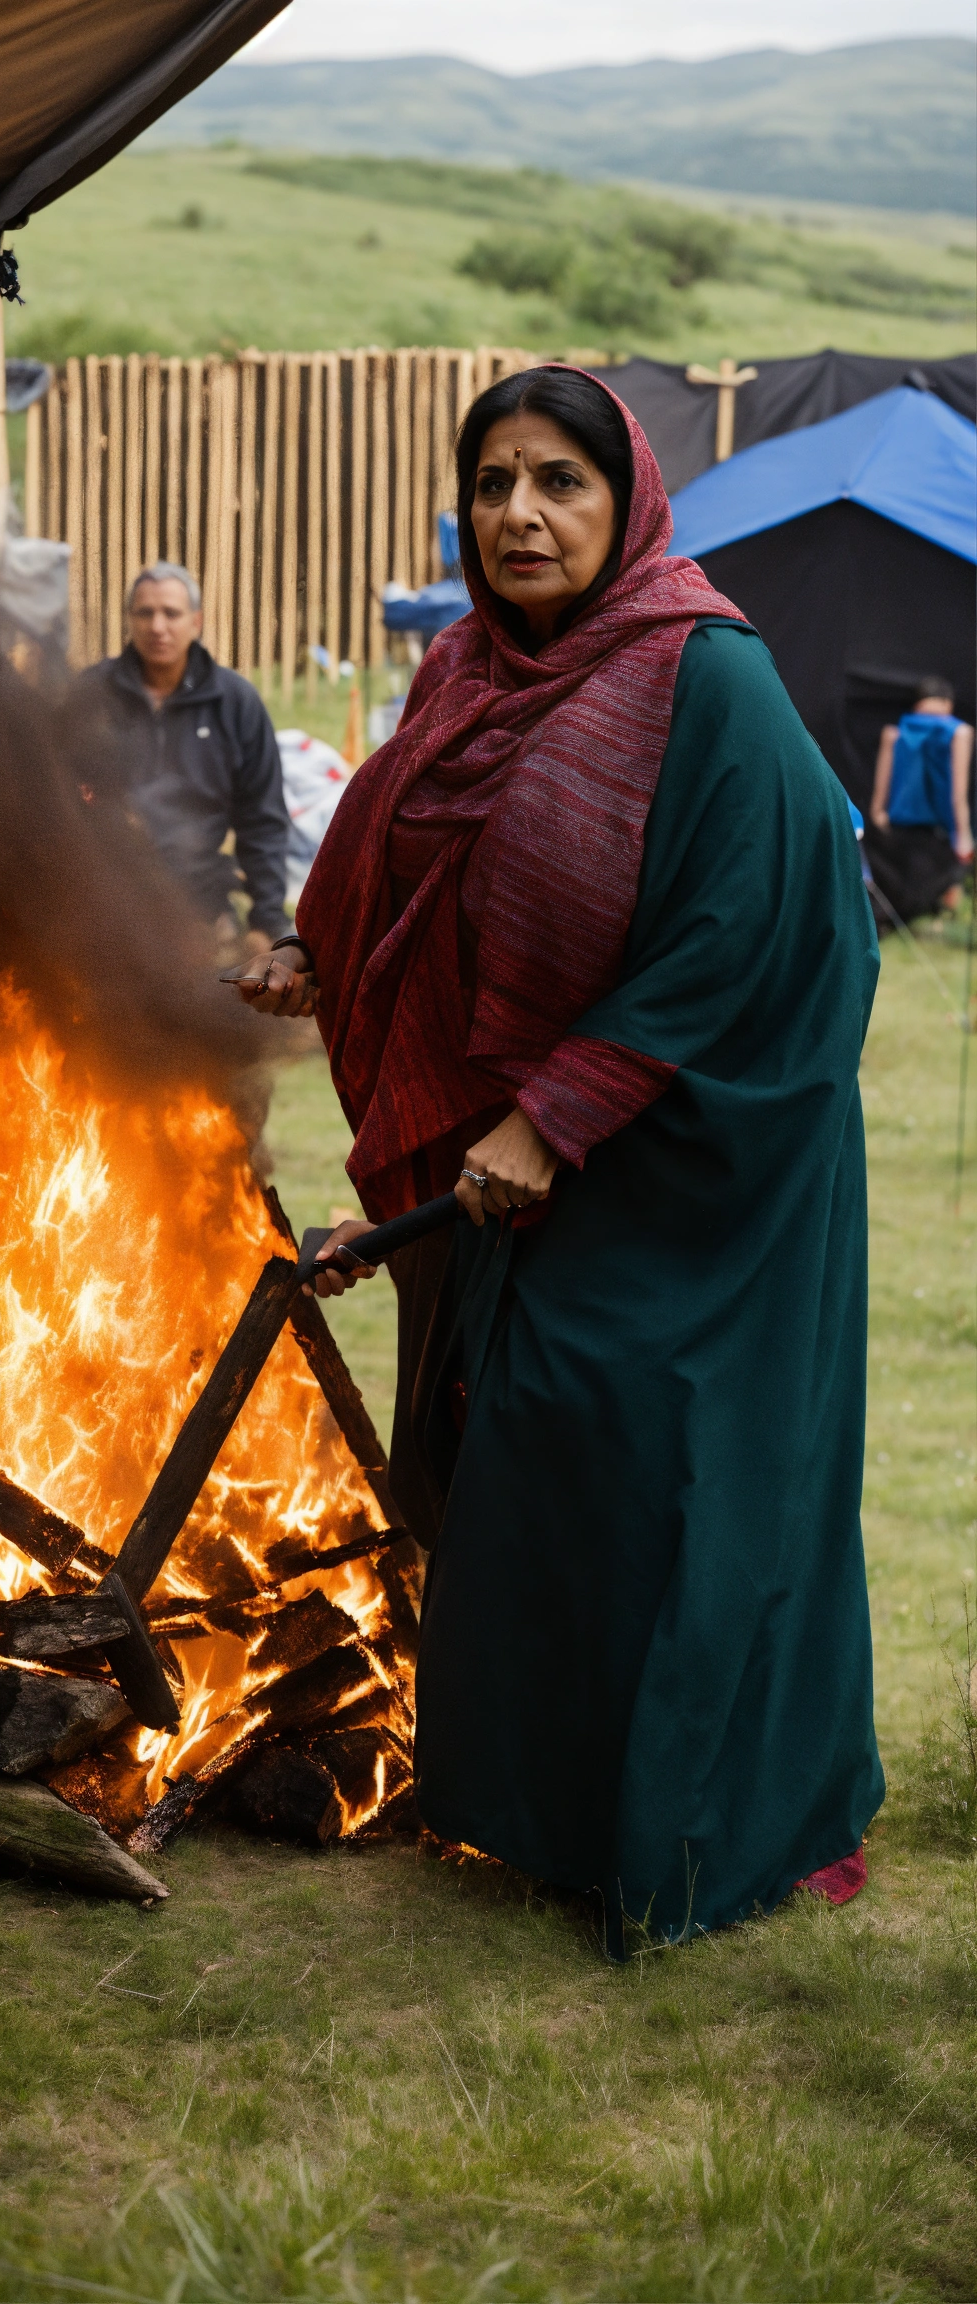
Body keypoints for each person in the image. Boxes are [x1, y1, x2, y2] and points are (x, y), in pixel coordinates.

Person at [234, 366, 881, 1952]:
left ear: (627, 500)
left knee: (665, 1475)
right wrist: (334, 956)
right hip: (528, 1168)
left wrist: (562, 1109)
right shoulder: (466, 668)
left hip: (696, 1169)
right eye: (493, 483)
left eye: (560, 483)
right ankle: (544, 1820)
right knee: (521, 1468)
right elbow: (416, 850)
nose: (519, 514)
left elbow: (762, 928)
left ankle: (706, 1821)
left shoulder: (703, 675)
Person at [64, 562, 289, 959]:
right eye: (145, 613)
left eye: (171, 613)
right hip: (104, 900)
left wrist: (265, 921)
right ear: (130, 621)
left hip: (199, 903)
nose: (157, 626)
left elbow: (263, 820)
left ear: (196, 622)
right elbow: (53, 796)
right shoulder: (90, 695)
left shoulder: (235, 703)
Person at [865, 676, 973, 926]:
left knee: (899, 895)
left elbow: (880, 796)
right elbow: (958, 794)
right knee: (939, 887)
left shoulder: (894, 732)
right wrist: (964, 837)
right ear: (948, 703)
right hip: (939, 833)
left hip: (898, 831)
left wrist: (880, 817)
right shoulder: (959, 732)